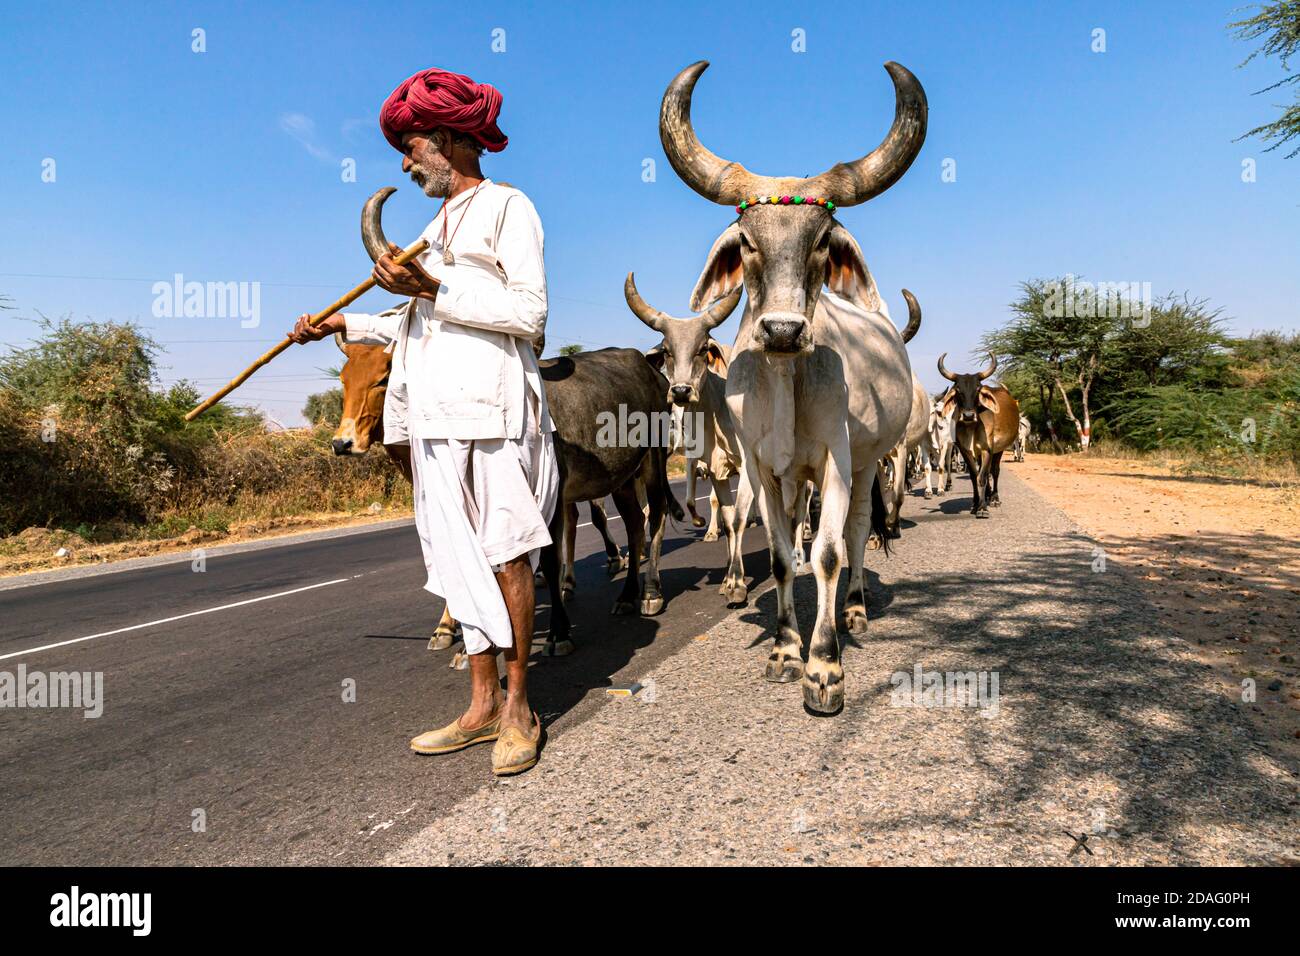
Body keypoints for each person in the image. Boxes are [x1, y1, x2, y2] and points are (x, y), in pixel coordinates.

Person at [289, 68, 554, 776]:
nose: (404, 165)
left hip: (490, 409)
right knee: (456, 561)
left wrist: (434, 283)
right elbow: (417, 318)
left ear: (446, 139)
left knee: (505, 553)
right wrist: (344, 321)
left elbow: (530, 315)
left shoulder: (508, 207)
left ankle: (520, 707)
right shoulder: (434, 227)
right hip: (432, 415)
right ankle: (478, 706)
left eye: (411, 148)